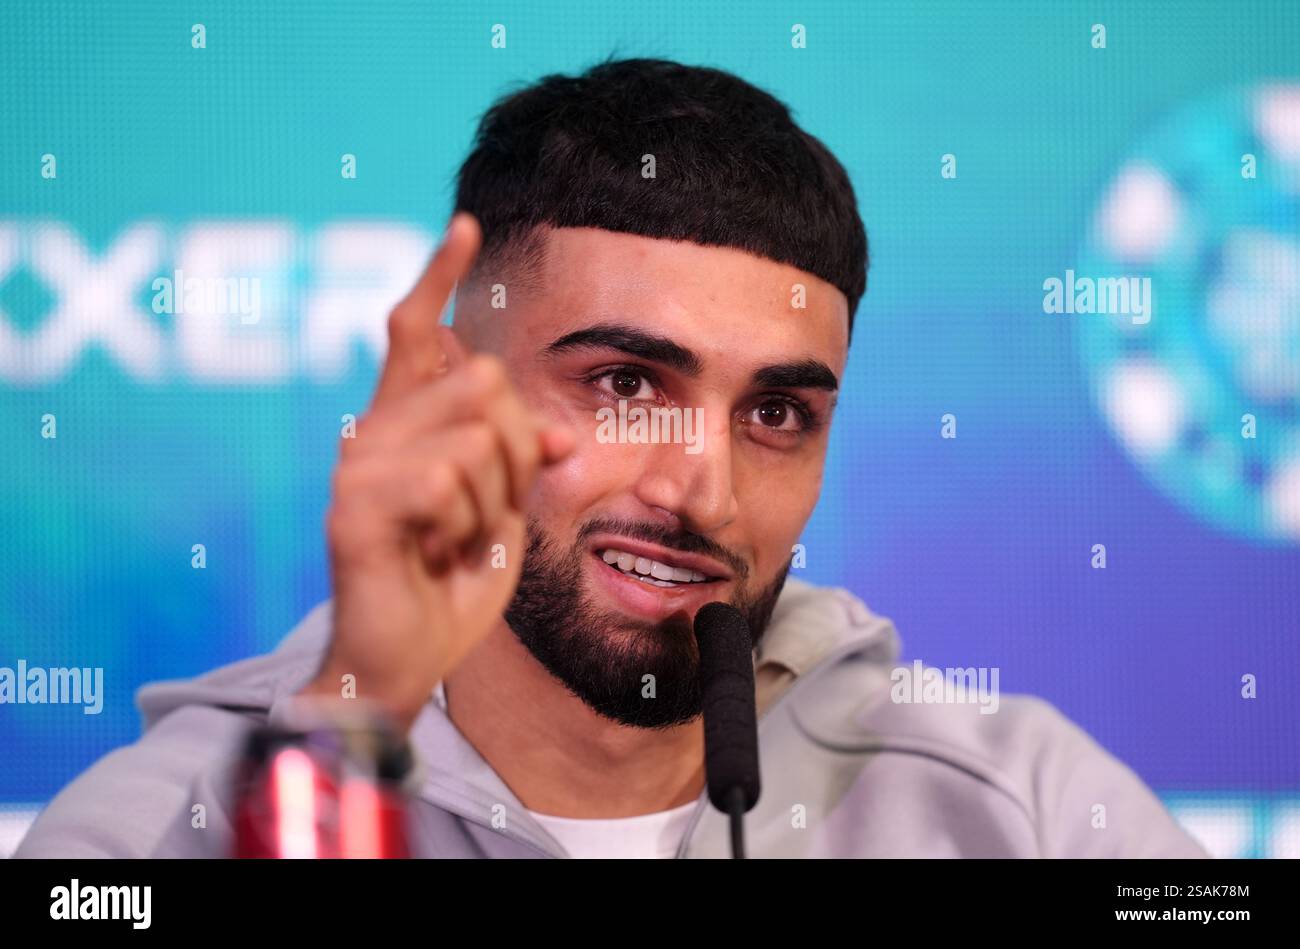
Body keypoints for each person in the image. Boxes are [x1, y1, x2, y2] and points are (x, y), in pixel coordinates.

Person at [17, 58, 1207, 859]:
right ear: (445, 392)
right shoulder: (157, 827)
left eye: (776, 414)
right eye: (626, 383)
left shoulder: (1029, 809)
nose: (703, 490)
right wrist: (352, 718)